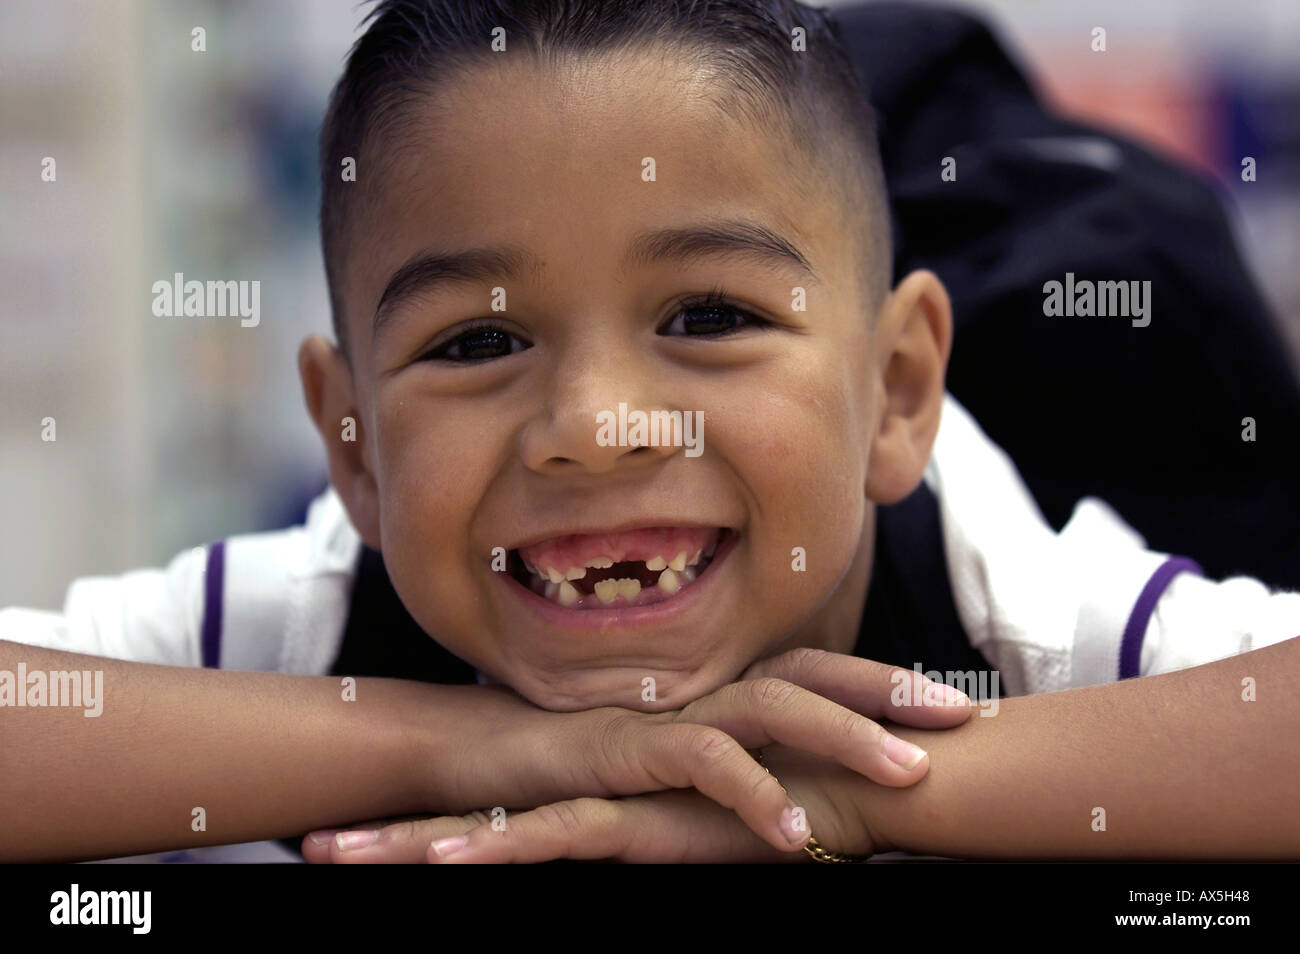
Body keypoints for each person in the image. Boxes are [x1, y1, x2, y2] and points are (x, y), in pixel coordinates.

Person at [2, 0, 1296, 864]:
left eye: (709, 314)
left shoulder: (1013, 604)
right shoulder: (320, 620)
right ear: (352, 451)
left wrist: (843, 790)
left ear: (898, 393)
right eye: (478, 342)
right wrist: (448, 748)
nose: (596, 428)